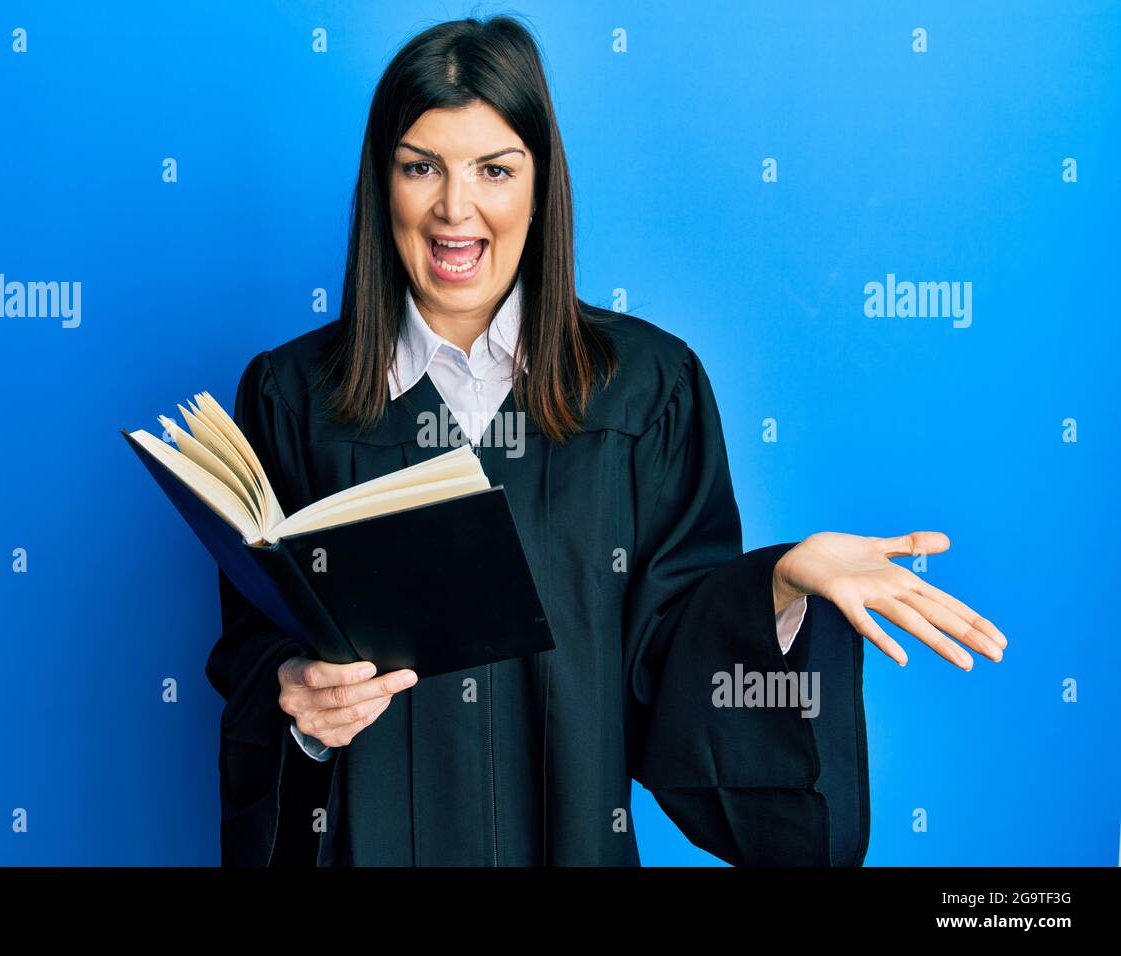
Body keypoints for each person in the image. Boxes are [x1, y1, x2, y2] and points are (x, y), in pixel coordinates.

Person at [204, 16, 1007, 867]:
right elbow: (255, 642)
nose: (455, 208)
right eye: (420, 167)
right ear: (383, 183)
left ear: (541, 185)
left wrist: (776, 586)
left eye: (495, 169)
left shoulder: (645, 390)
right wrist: (297, 701)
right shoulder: (294, 396)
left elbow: (666, 657)